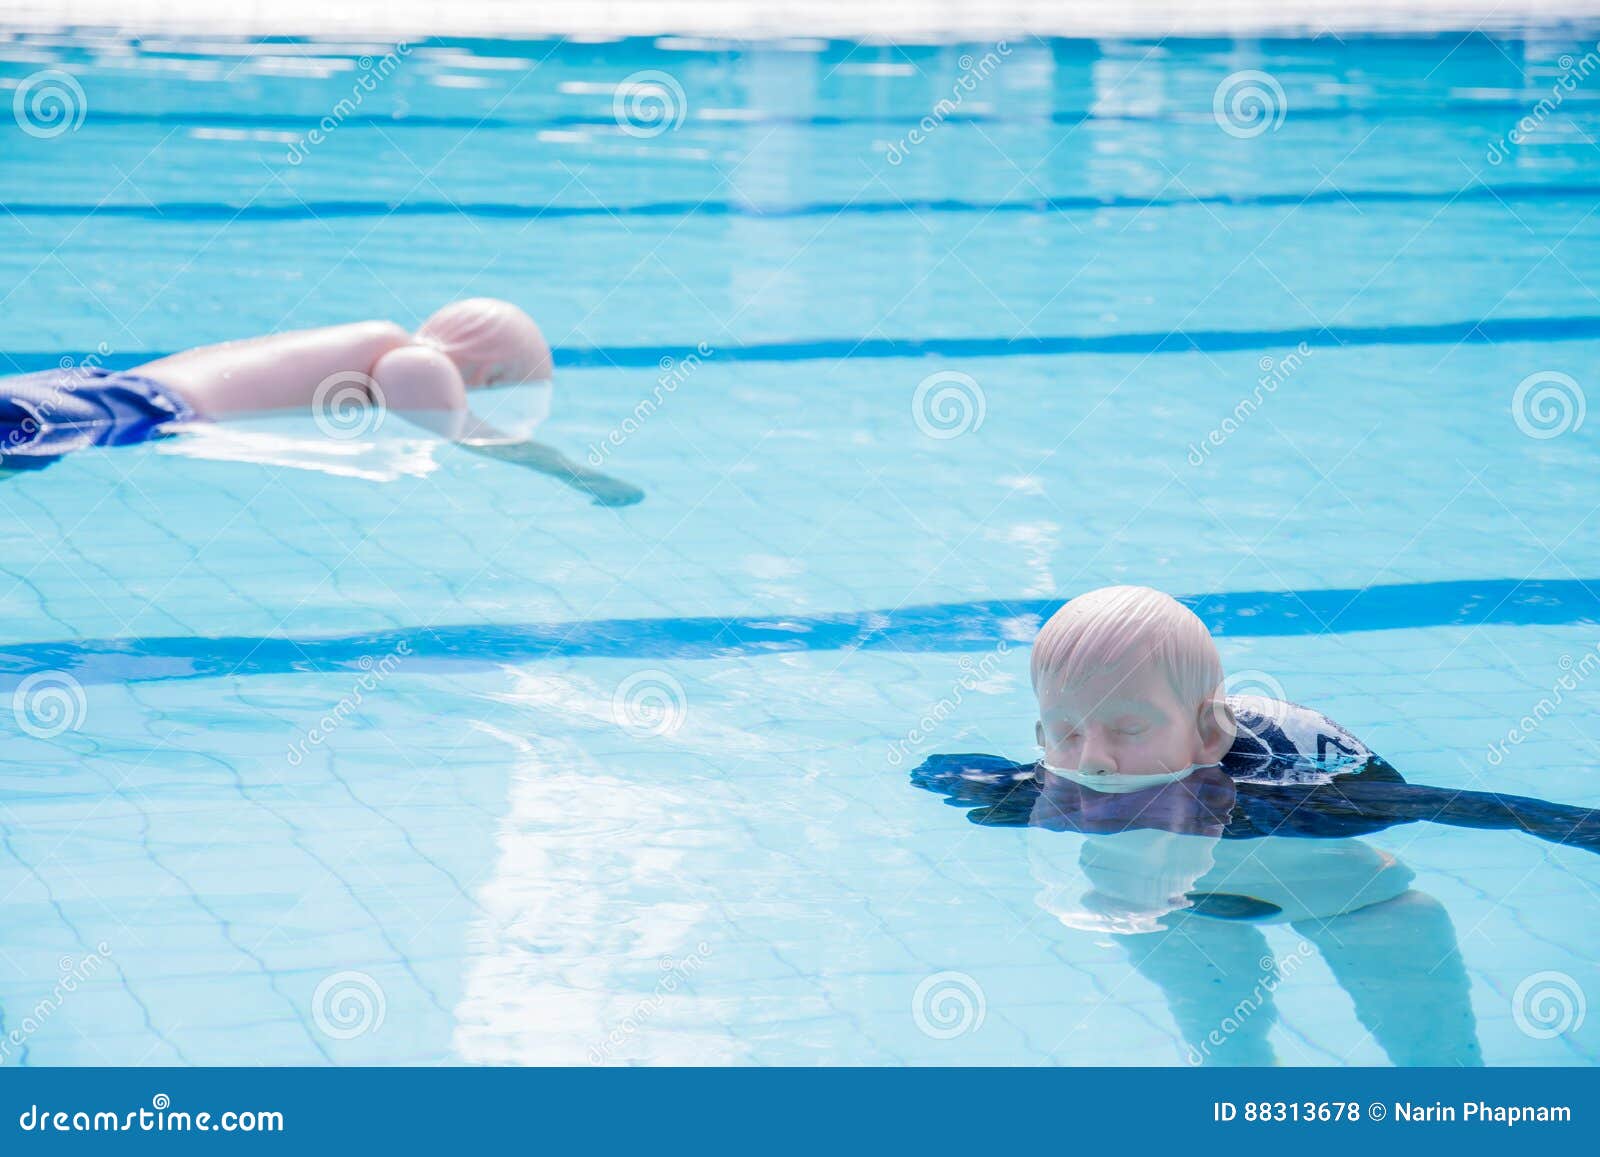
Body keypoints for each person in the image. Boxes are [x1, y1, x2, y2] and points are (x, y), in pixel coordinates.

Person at [911, 584, 1600, 1065]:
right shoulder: (1062, 778)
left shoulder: (1285, 791)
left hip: (1339, 890)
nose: (1094, 758)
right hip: (1181, 906)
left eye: (1127, 727)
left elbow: (1474, 806)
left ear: (1208, 735)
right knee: (1220, 1036)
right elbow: (956, 772)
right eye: (1066, 732)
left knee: (1407, 969)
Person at [0, 298, 643, 506]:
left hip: (105, 393)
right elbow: (460, 431)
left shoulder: (369, 338)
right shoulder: (415, 359)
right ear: (493, 372)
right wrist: (575, 473)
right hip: (136, 408)